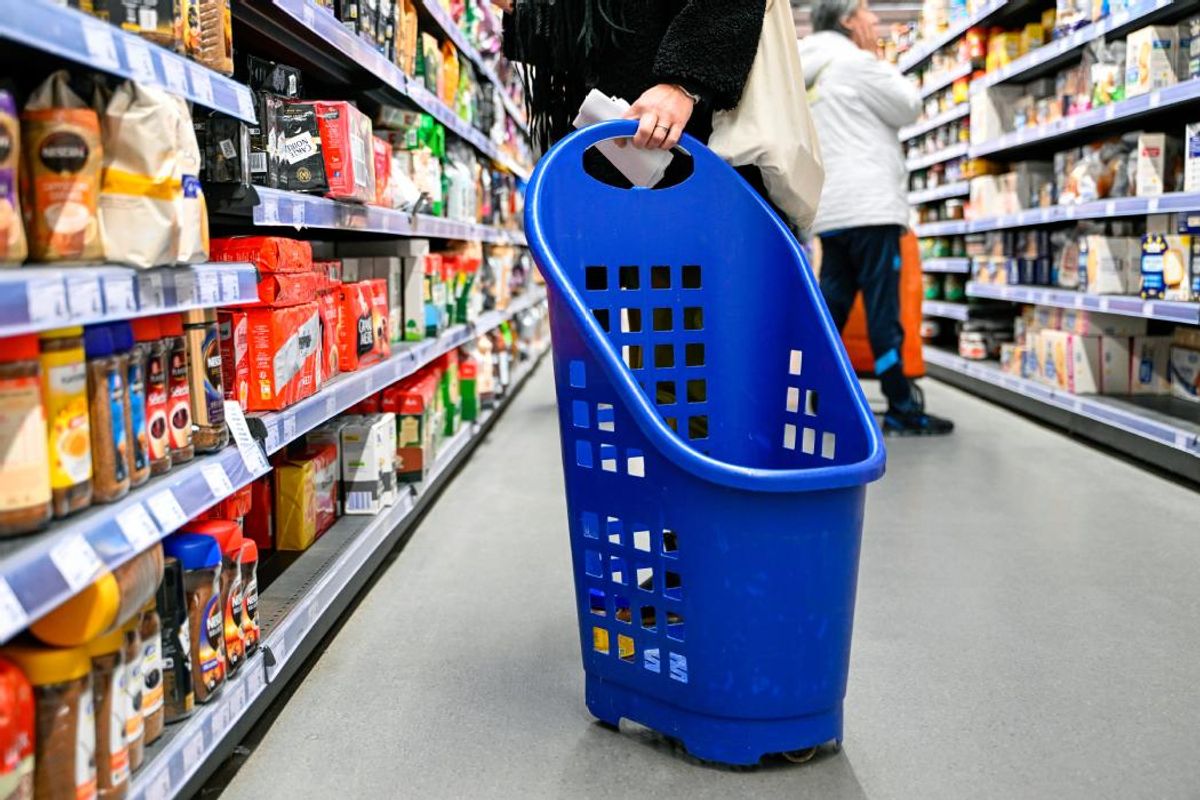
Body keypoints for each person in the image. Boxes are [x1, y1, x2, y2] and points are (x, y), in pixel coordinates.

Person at [800, 0, 954, 436]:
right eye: (866, 11)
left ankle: (816, 396)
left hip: (831, 209)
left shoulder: (804, 68)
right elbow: (909, 105)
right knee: (884, 310)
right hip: (870, 207)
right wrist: (874, 56)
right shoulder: (855, 62)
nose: (873, 20)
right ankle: (902, 405)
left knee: (832, 308)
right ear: (848, 20)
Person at [495, 0, 774, 195]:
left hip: (697, 155)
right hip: (618, 158)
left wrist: (683, 83)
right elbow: (600, 32)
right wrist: (520, 8)